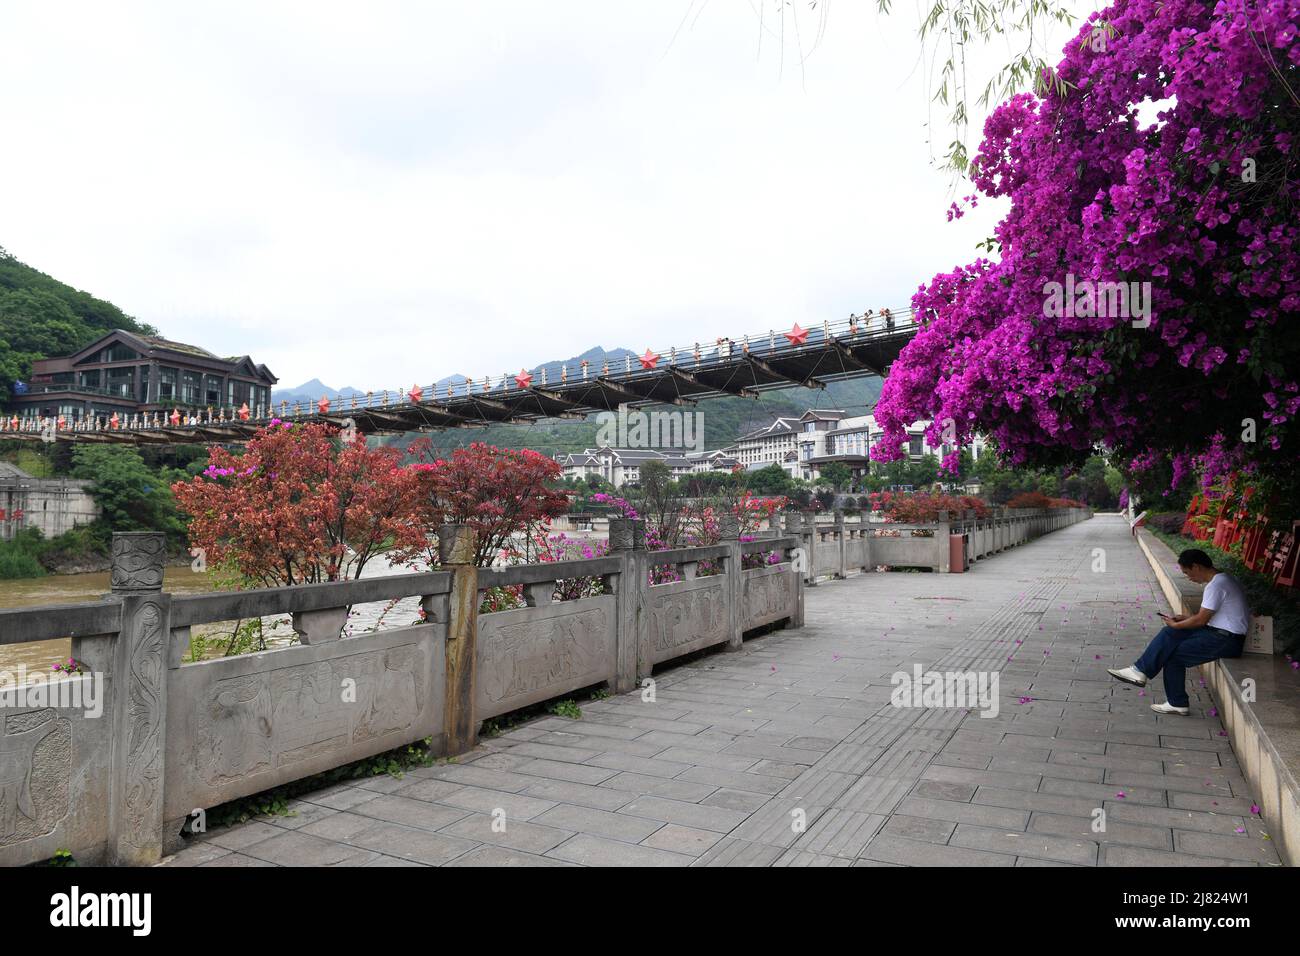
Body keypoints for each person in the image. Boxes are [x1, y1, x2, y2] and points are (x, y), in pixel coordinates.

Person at [1108, 549, 1250, 715]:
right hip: (1219, 633)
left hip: (1226, 640)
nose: (1188, 577)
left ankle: (1177, 702)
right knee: (1170, 632)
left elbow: (1200, 620)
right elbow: (1207, 616)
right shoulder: (1223, 579)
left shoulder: (1216, 586)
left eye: (1187, 572)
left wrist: (1179, 625)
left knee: (1174, 656)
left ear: (1196, 567)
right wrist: (1184, 620)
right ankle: (1139, 671)